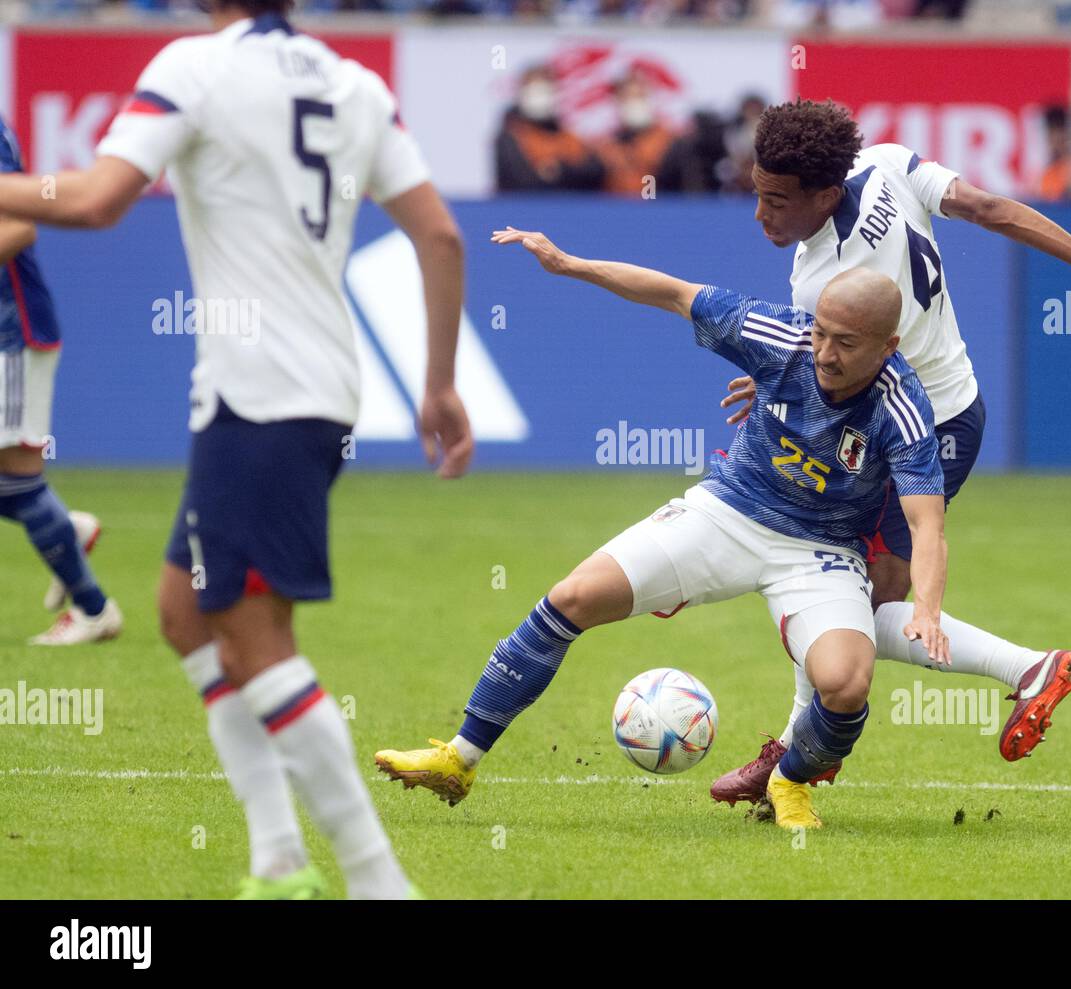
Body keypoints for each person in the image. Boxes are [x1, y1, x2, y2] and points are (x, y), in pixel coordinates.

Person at [0, 0, 473, 898]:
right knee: (184, 611)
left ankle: (380, 884)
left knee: (256, 638)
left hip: (260, 395)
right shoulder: (356, 83)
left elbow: (98, 198)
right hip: (311, 388)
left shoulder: (195, 66)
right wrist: (439, 381)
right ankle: (279, 864)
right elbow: (440, 236)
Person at [375, 225, 954, 831]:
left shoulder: (902, 406)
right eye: (820, 333)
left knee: (845, 683)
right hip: (727, 512)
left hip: (820, 551)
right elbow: (675, 293)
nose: (826, 354)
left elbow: (926, 524)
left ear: (888, 347)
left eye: (846, 343)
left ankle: (789, 783)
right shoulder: (779, 337)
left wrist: (928, 611)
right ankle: (458, 759)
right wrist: (570, 263)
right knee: (571, 598)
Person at [709, 98, 1071, 805]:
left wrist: (788, 371)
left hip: (911, 434)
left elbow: (831, 357)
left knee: (839, 600)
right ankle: (798, 757)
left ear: (824, 193)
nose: (760, 215)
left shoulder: (820, 276)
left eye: (776, 201)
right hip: (954, 409)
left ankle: (1016, 672)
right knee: (844, 597)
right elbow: (989, 208)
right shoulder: (888, 162)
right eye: (756, 194)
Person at [0, 114, 121, 647]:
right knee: (20, 487)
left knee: (20, 480)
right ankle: (65, 531)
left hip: (12, 332)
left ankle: (95, 609)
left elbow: (21, 224)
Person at [495, 65, 605, 193]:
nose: (539, 98)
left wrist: (560, 170)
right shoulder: (511, 137)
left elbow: (594, 173)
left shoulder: (569, 137)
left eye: (544, 91)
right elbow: (521, 182)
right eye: (533, 92)